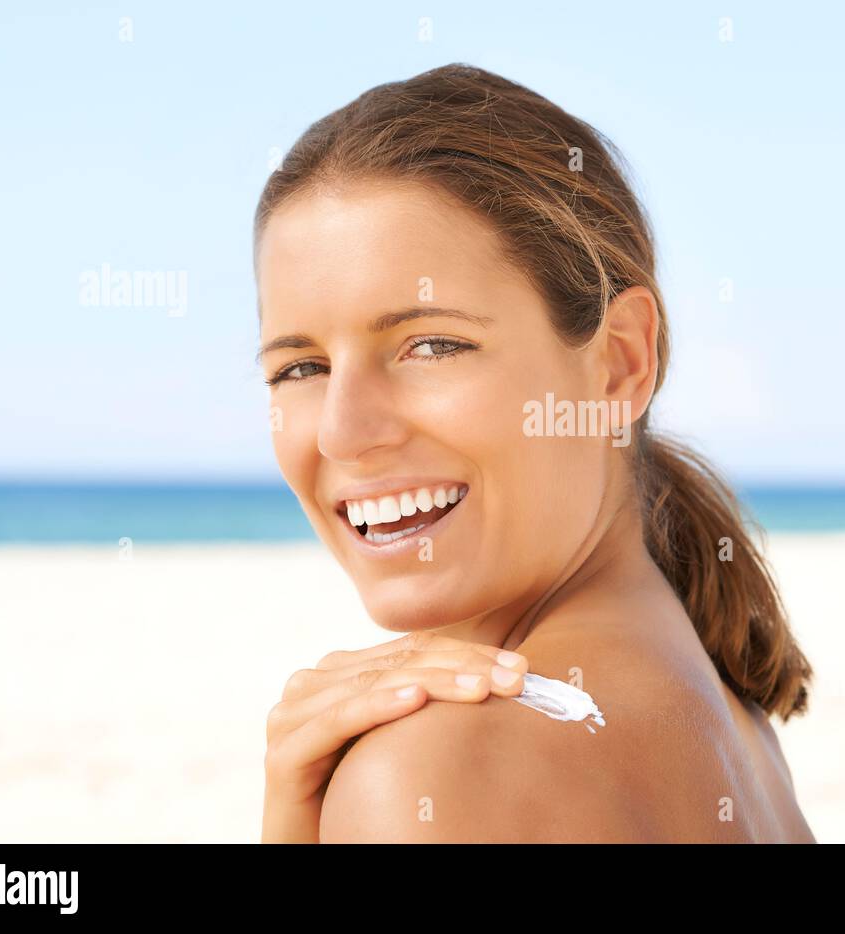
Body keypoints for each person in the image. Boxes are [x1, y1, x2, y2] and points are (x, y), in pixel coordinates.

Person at [255, 63, 815, 843]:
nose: (343, 432)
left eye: (431, 345)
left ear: (619, 363)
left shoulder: (427, 775)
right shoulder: (736, 727)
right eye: (302, 368)